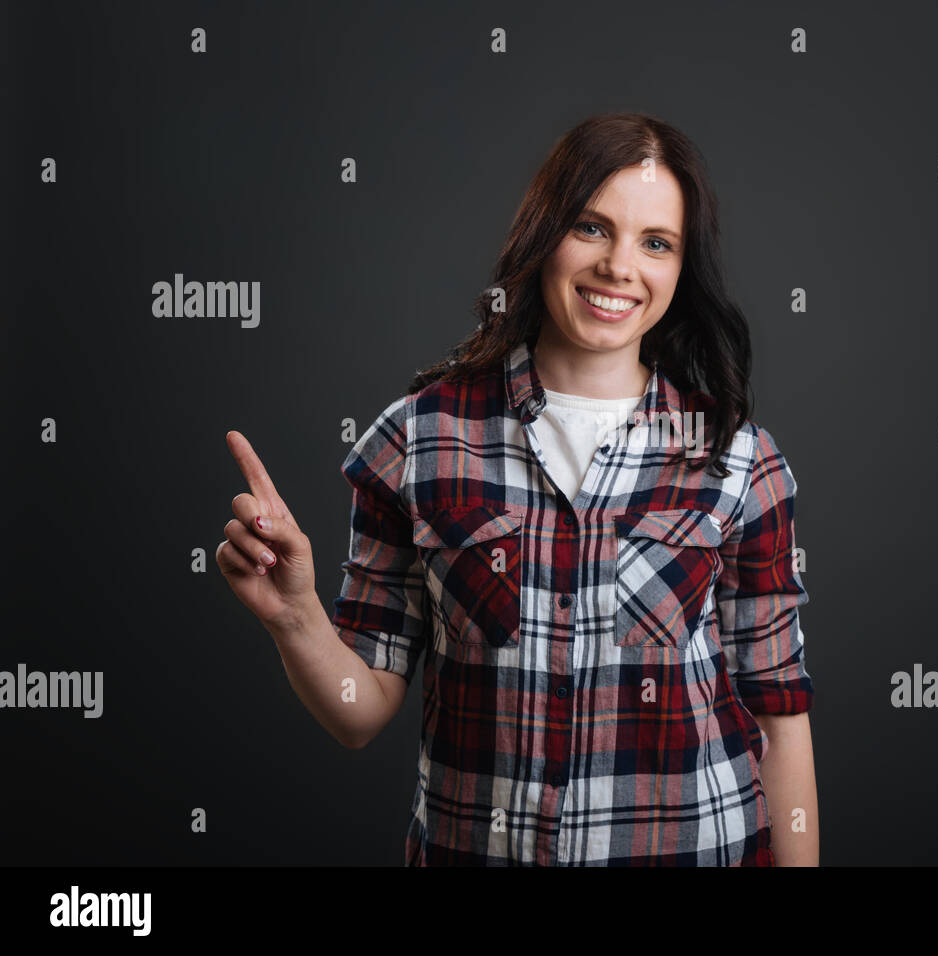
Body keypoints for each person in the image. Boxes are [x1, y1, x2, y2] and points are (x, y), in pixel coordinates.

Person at [217, 112, 818, 866]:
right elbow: (359, 714)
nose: (619, 266)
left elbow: (780, 717)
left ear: (680, 267)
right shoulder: (420, 438)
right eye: (592, 228)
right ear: (544, 235)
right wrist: (295, 615)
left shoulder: (735, 459)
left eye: (655, 242)